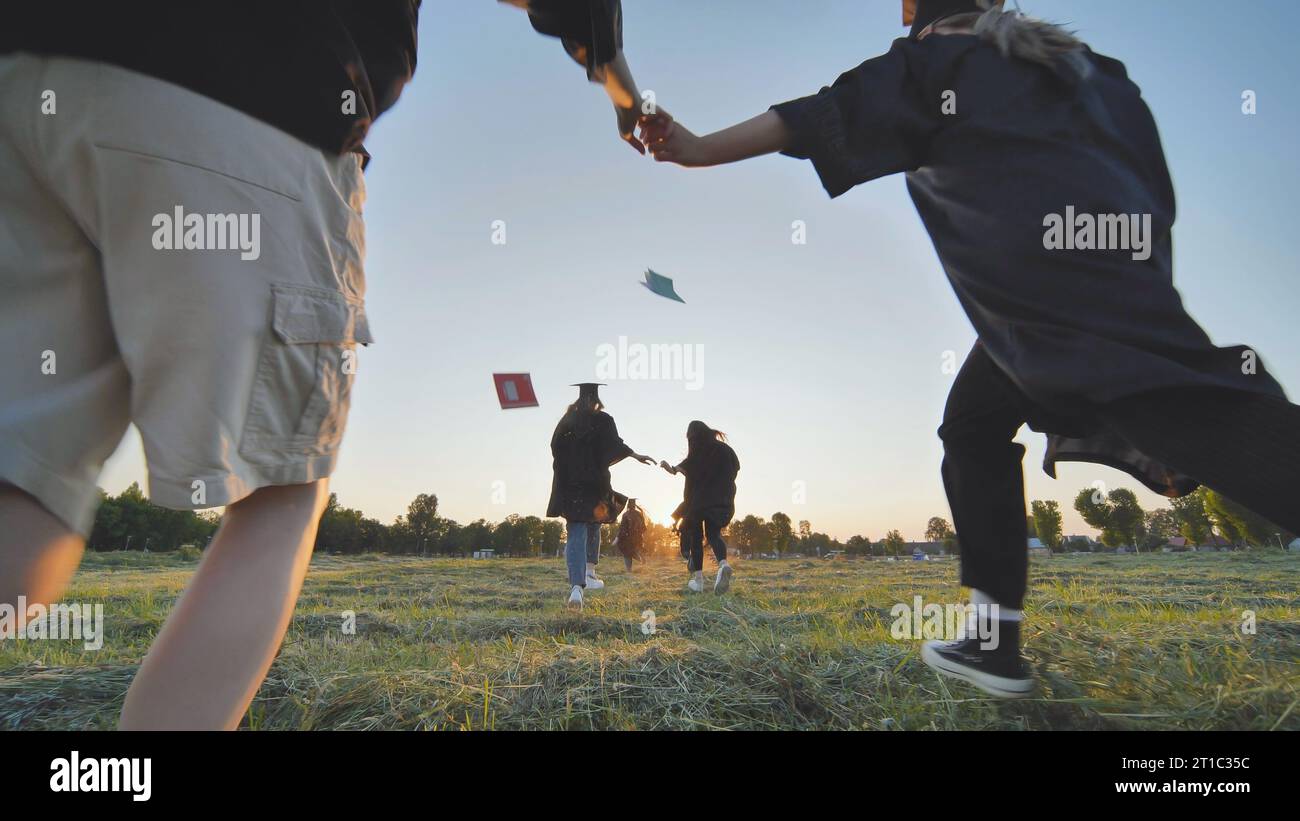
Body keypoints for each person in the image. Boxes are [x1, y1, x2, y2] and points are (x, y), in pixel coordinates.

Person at [0, 0, 645, 729]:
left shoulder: (564, 418)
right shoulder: (593, 421)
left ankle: (579, 583)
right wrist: (623, 89)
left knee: (23, 478)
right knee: (280, 491)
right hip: (252, 90)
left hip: (29, 71)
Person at [640, 0, 1300, 696]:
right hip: (1103, 274)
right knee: (975, 423)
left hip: (1050, 300)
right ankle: (991, 641)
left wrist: (693, 146)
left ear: (912, 10)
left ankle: (994, 637)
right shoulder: (1092, 70)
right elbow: (1150, 181)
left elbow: (808, 120)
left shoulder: (929, 66)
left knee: (1185, 410)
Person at [547, 384, 654, 609]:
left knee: (576, 529)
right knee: (595, 523)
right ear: (597, 401)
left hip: (571, 483)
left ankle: (577, 588)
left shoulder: (568, 419)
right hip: (596, 483)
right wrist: (635, 455)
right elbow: (616, 445)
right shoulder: (604, 419)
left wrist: (570, 464)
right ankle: (591, 574)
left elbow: (555, 446)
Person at [660, 421, 740, 594]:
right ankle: (723, 565)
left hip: (697, 503)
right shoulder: (726, 450)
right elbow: (736, 470)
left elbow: (679, 469)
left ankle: (698, 581)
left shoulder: (697, 453)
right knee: (713, 534)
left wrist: (670, 468)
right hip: (722, 500)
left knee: (696, 538)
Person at [615, 498, 648, 572]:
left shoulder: (626, 514)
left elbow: (622, 528)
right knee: (635, 551)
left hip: (628, 539)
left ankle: (629, 570)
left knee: (627, 554)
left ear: (628, 505)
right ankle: (642, 560)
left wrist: (618, 538)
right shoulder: (639, 514)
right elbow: (644, 528)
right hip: (638, 539)